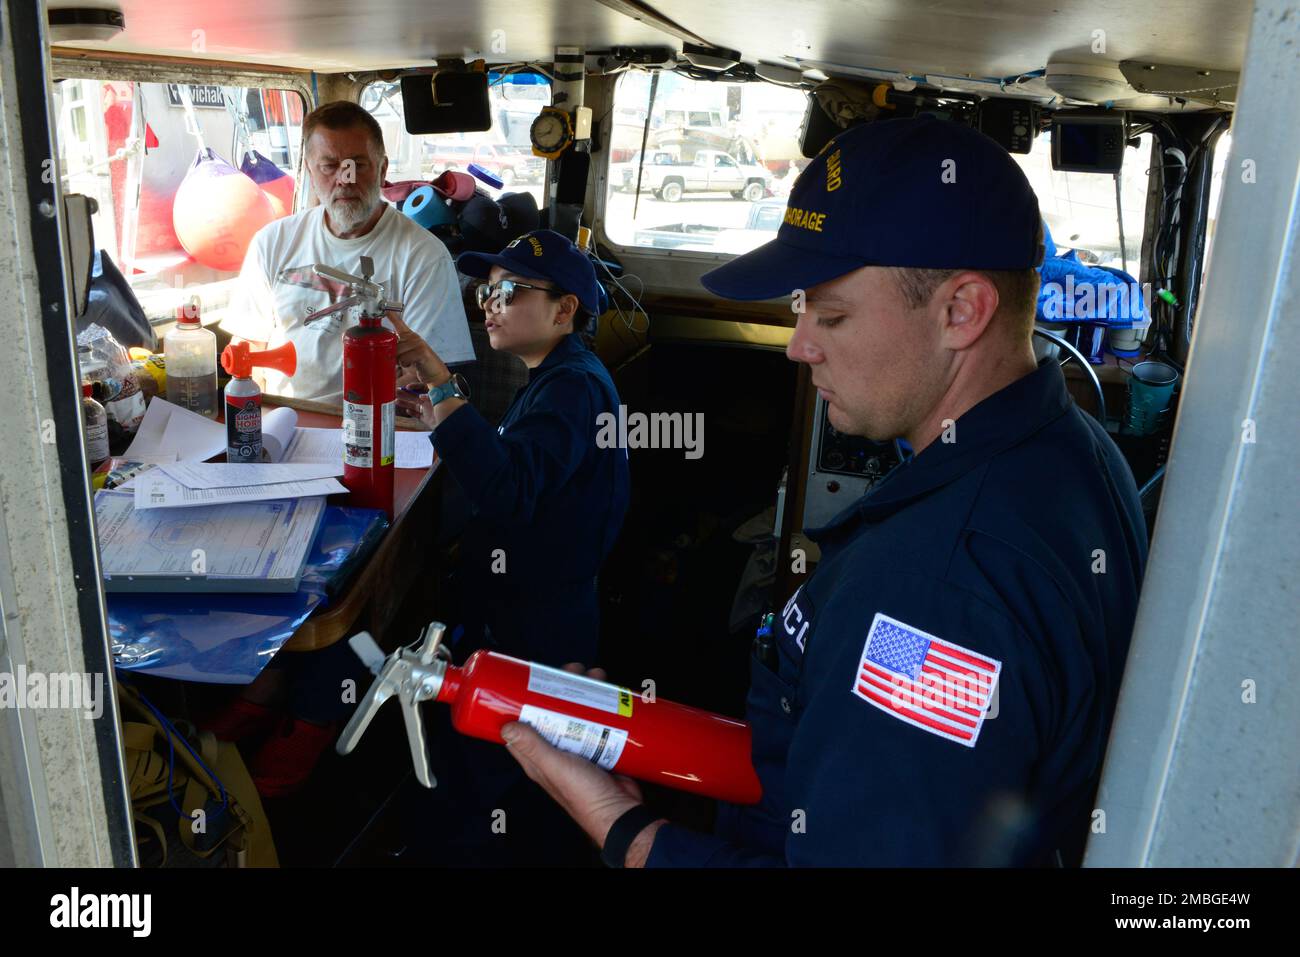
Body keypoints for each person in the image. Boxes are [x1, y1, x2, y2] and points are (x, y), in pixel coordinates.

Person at [497, 116, 1149, 867]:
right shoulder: (1074, 450)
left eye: (831, 314)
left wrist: (624, 828)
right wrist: (655, 743)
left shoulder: (931, 596)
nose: (800, 343)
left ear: (962, 311)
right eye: (803, 305)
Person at [388, 228, 630, 864]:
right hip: (522, 608)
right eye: (485, 292)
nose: (488, 304)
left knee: (506, 772)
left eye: (510, 291)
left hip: (537, 626)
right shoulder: (556, 377)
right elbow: (515, 458)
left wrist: (441, 382)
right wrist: (440, 409)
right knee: (485, 760)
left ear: (564, 309)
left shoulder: (574, 387)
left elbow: (507, 489)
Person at [221, 100, 474, 402]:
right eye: (329, 166)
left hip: (374, 421)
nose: (344, 180)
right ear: (310, 173)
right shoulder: (272, 242)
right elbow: (248, 349)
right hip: (283, 417)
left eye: (359, 164)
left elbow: (427, 377)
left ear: (382, 170)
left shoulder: (424, 256)